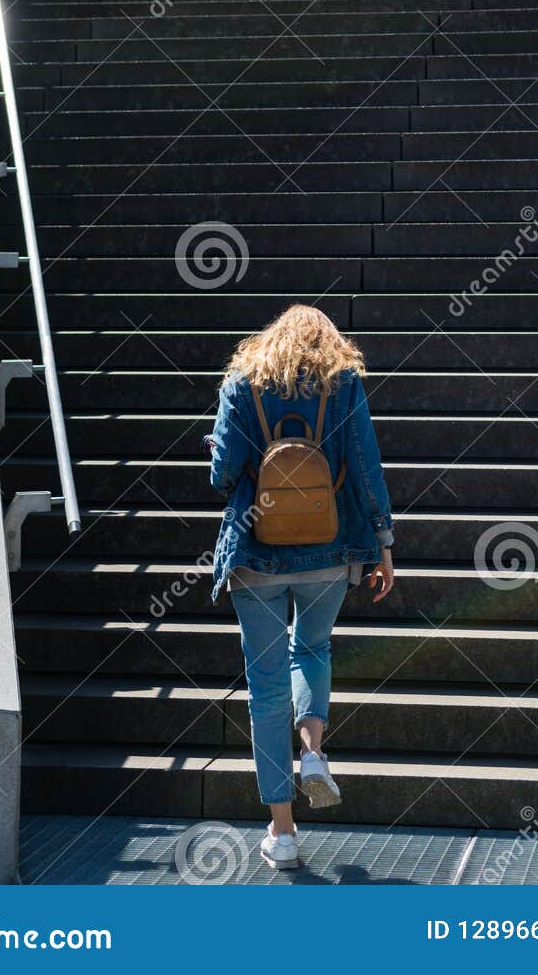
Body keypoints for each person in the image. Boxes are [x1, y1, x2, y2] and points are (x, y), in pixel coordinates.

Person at [208, 304, 394, 871]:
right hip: (329, 552)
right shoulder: (343, 385)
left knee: (265, 690)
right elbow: (367, 468)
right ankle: (314, 753)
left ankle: (283, 834)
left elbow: (221, 475)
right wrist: (382, 543)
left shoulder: (243, 384)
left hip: (258, 553)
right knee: (311, 649)